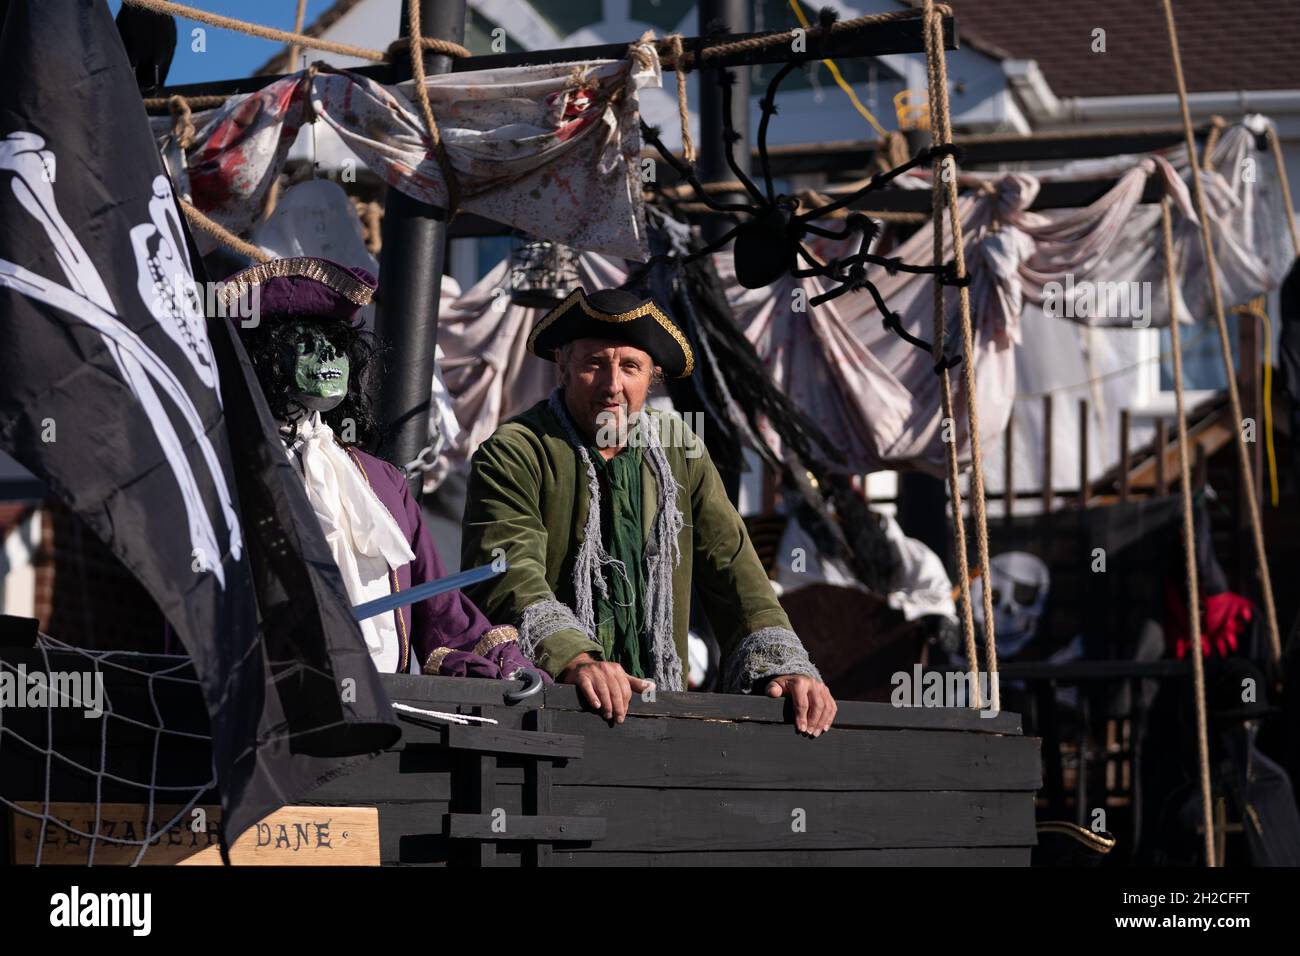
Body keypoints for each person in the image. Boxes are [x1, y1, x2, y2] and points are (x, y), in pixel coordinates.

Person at [461, 286, 835, 734]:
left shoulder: (682, 451)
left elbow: (735, 571)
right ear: (562, 365)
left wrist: (786, 666)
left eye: (630, 367)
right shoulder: (515, 450)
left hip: (660, 708)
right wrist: (577, 660)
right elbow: (507, 571)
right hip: (548, 706)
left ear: (652, 376)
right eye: (594, 364)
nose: (612, 385)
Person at [223, 256, 544, 681]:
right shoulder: (224, 465)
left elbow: (441, 611)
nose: (329, 355)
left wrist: (506, 663)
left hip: (383, 713)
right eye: (305, 342)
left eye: (336, 341)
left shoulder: (381, 481)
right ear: (261, 354)